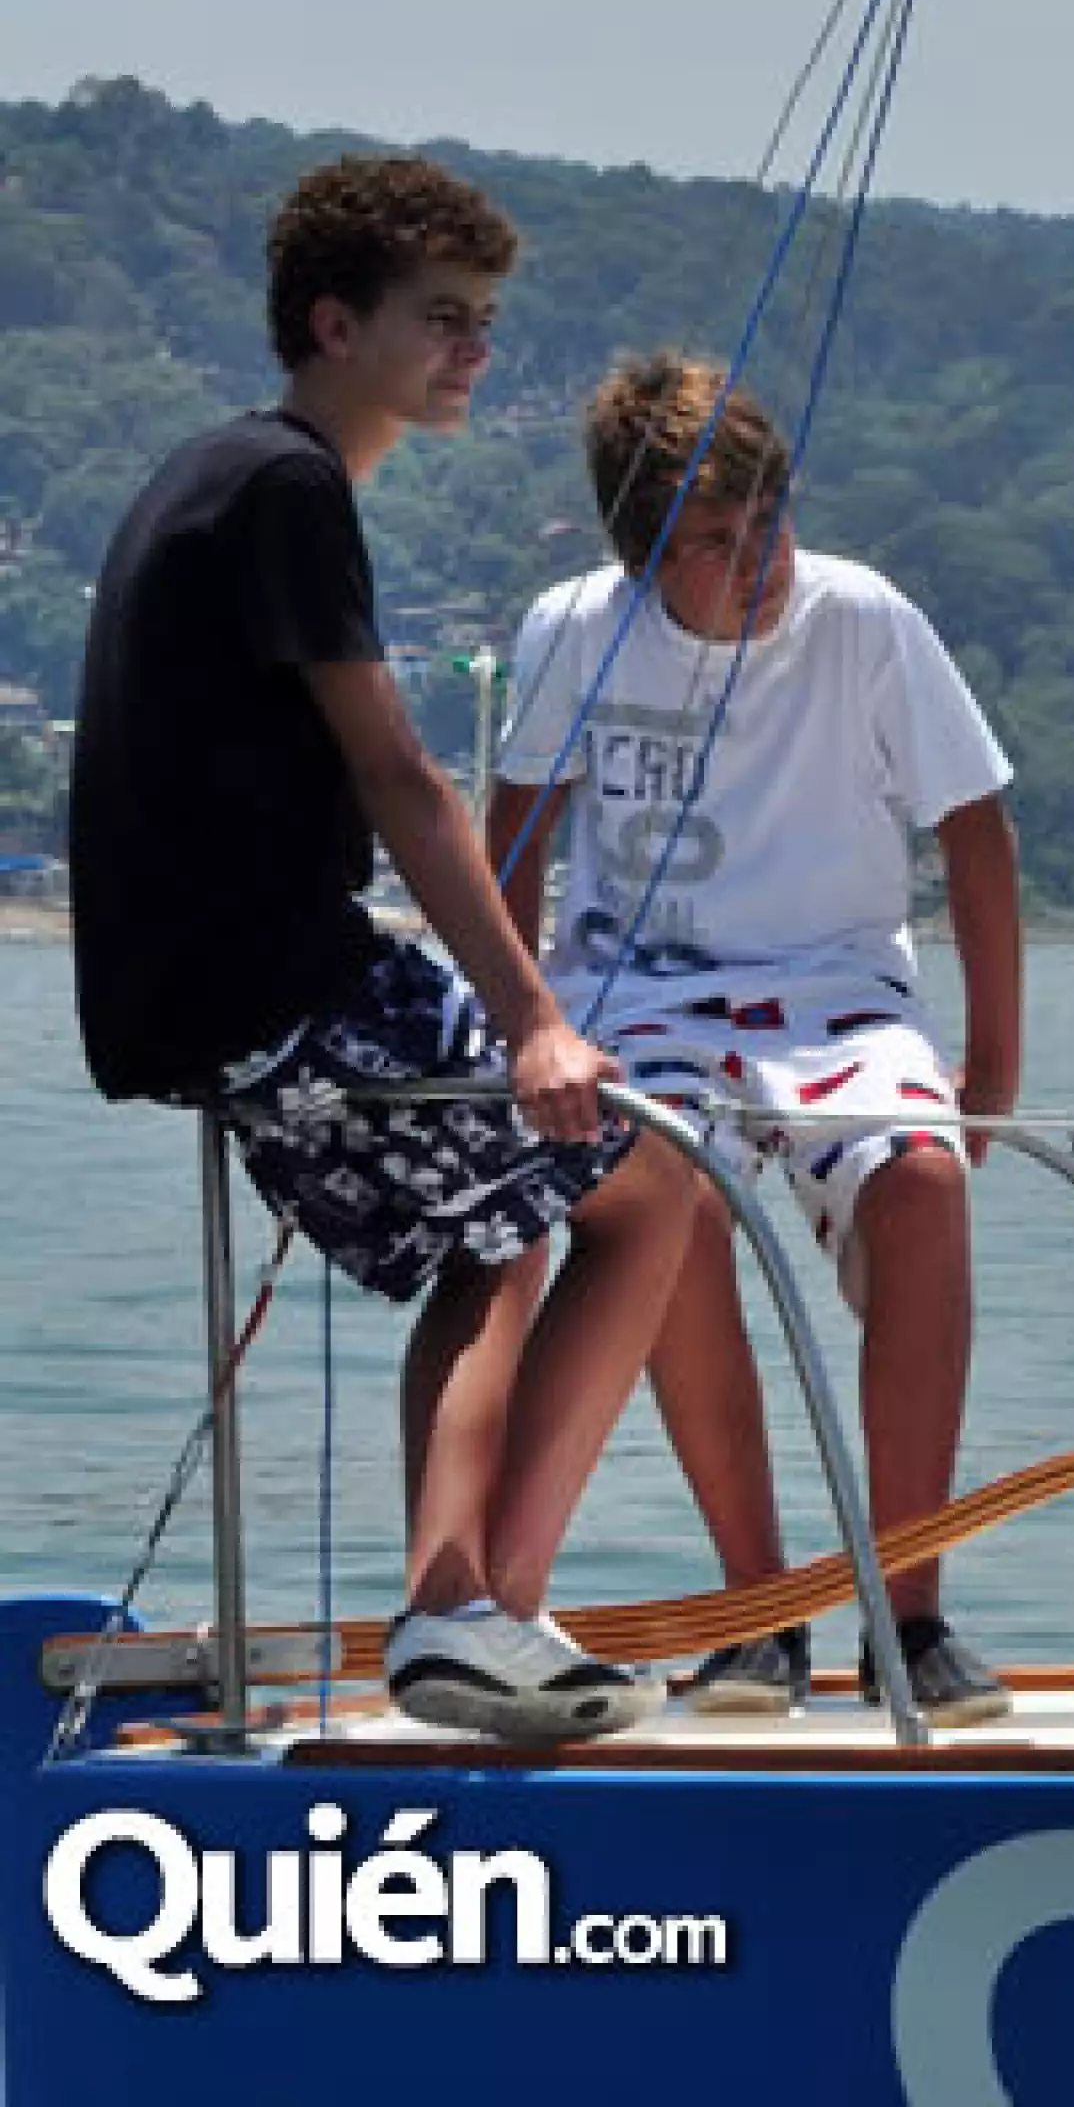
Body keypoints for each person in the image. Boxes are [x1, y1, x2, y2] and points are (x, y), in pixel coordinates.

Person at [66, 154, 696, 1741]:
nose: (472, 350)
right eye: (441, 320)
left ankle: (469, 1606)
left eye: (484, 322)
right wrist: (536, 1017)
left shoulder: (226, 472)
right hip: (273, 976)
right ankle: (460, 1612)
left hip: (209, 983)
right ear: (335, 323)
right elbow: (402, 776)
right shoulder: (287, 486)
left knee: (519, 1219)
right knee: (633, 1190)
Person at [485, 351, 1024, 1727]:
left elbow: (974, 828)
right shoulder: (572, 628)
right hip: (638, 1004)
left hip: (838, 993)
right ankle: (759, 1616)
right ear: (641, 550)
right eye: (717, 541)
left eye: (770, 518)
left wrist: (993, 1065)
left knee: (922, 1183)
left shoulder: (865, 619)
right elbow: (516, 839)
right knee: (671, 1206)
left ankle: (910, 1614)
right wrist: (520, 1022)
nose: (759, 558)